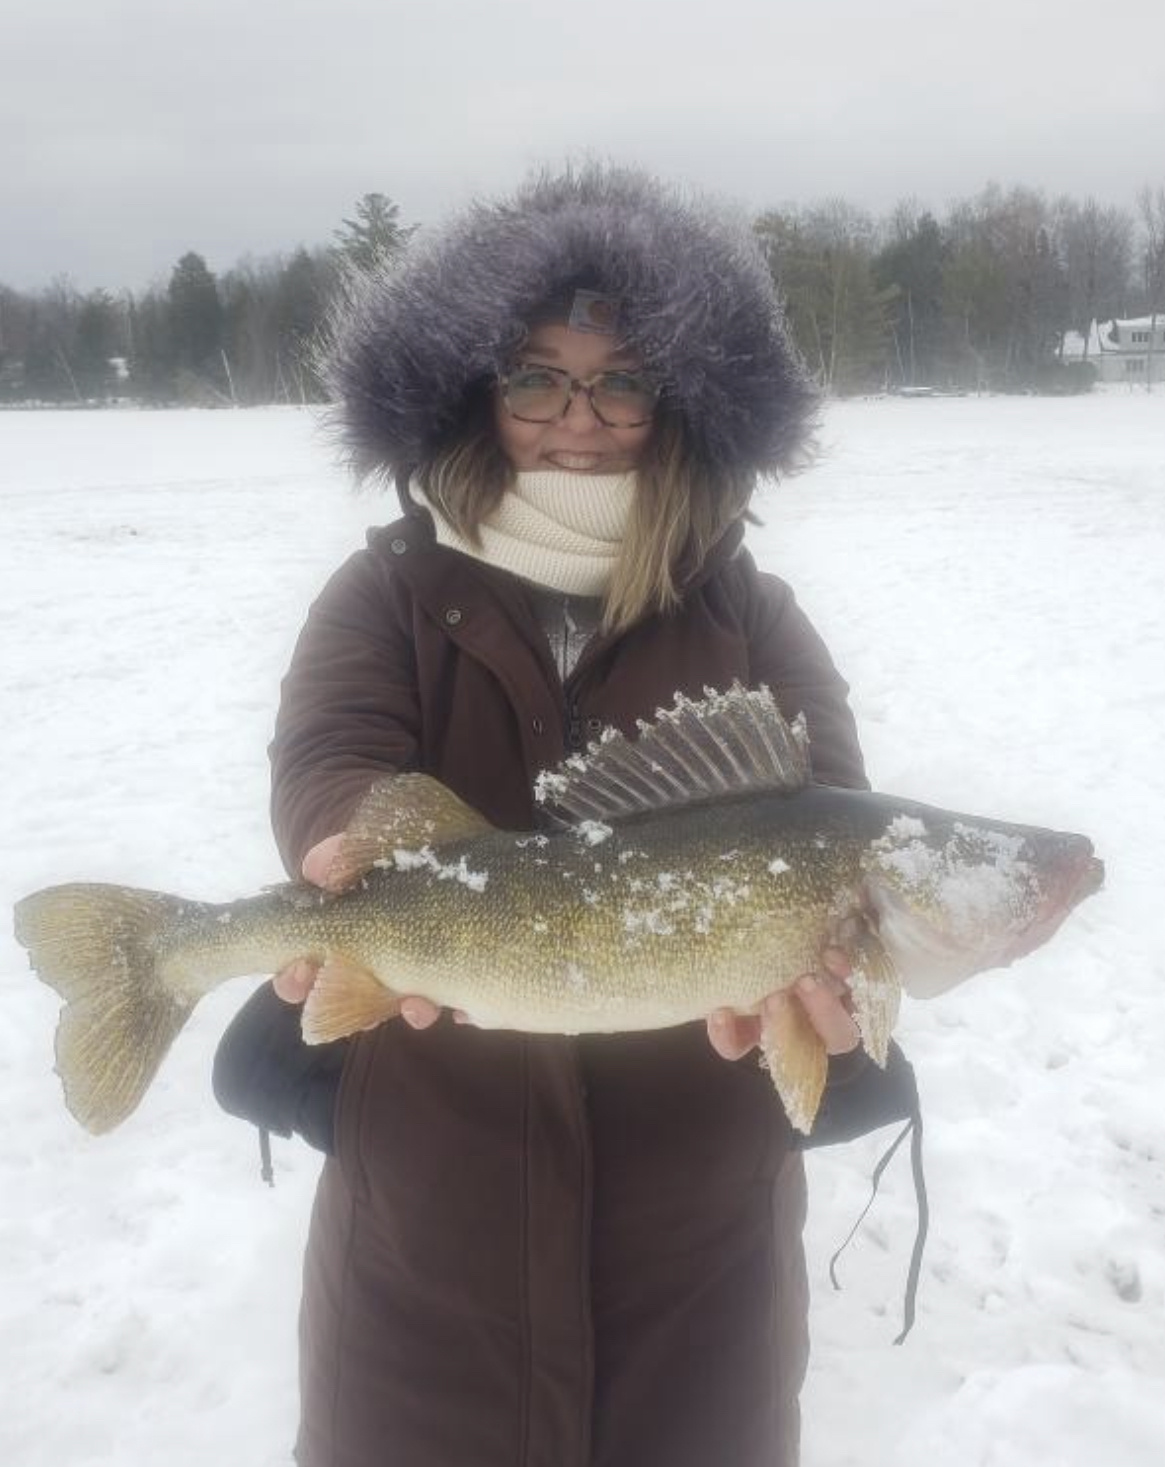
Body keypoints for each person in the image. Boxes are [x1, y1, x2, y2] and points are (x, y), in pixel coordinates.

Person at [214, 164, 918, 1467]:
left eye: (620, 380)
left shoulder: (749, 612)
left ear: (677, 398)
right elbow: (329, 754)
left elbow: (834, 823)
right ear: (478, 393)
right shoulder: (382, 600)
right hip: (429, 1218)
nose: (576, 417)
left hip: (697, 1240)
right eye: (536, 377)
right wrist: (343, 840)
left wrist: (833, 969)